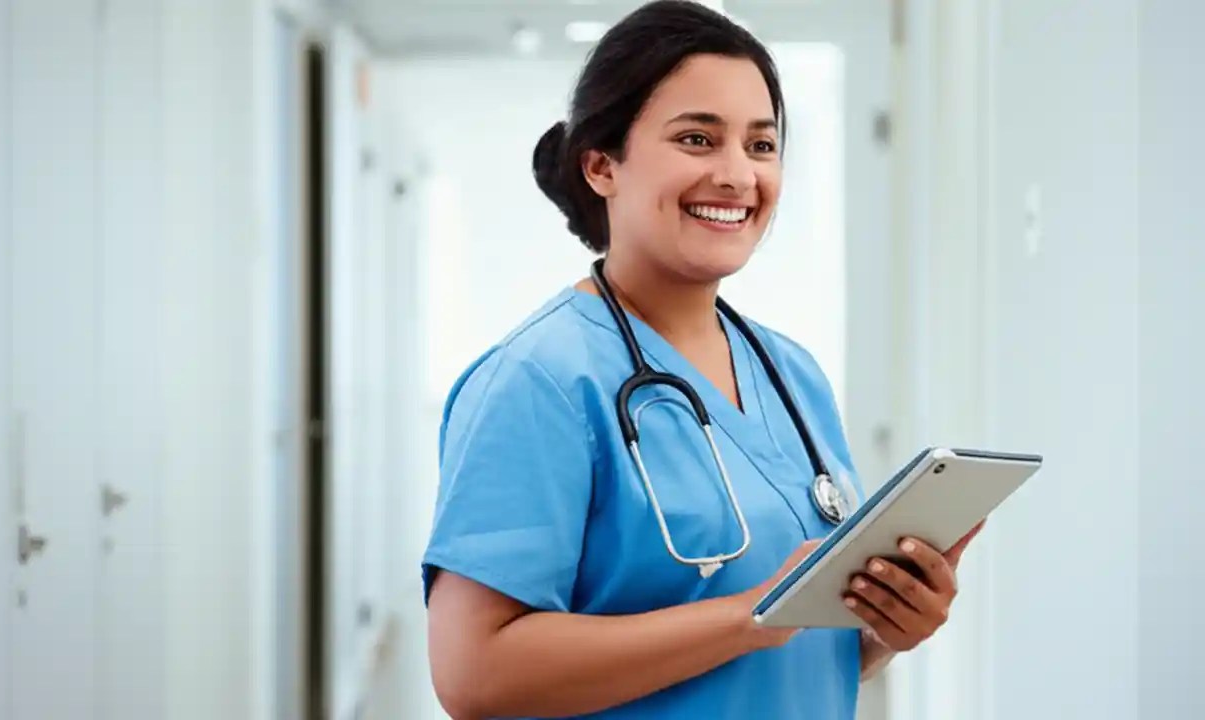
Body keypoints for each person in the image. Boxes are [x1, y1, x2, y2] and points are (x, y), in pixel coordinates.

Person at [420, 2, 982, 718]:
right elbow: (474, 675)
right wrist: (746, 617)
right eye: (697, 138)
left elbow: (798, 646)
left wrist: (887, 627)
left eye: (761, 145)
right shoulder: (541, 380)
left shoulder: (791, 373)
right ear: (601, 166)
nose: (737, 175)